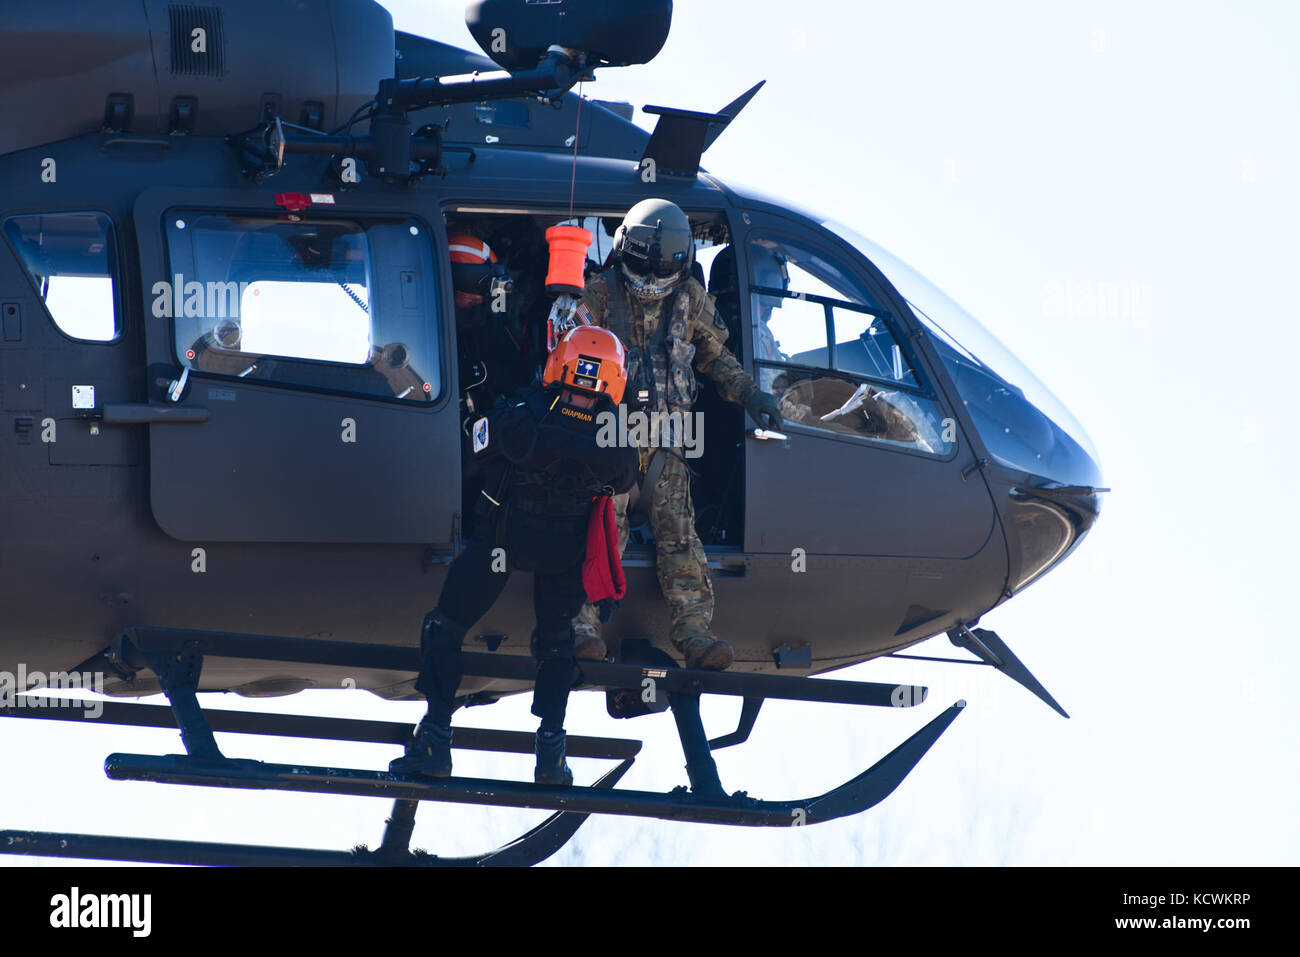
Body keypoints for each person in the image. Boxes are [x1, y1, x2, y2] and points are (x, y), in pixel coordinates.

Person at [391, 325, 638, 785]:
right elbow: (621, 472)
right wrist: (576, 443)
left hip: (507, 542)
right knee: (555, 645)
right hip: (562, 556)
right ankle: (551, 754)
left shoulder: (528, 409)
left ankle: (436, 740)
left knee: (444, 627)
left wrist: (551, 436)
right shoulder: (610, 432)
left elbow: (487, 442)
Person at [571, 199, 783, 671]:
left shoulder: (690, 300)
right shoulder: (599, 295)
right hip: (612, 439)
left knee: (681, 537)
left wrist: (752, 397)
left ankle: (695, 635)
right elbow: (570, 353)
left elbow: (717, 359)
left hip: (667, 442)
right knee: (605, 529)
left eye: (663, 267)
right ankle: (581, 626)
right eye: (644, 264)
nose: (652, 278)